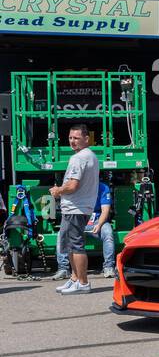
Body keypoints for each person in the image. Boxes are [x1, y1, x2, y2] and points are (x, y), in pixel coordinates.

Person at [48, 122, 99, 294]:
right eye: (70, 138)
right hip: (78, 207)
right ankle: (74, 279)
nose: (72, 141)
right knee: (70, 245)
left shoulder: (78, 158)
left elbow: (72, 186)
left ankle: (83, 283)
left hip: (75, 208)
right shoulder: (90, 155)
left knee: (75, 245)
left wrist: (58, 191)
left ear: (86, 138)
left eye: (76, 138)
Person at [53, 171, 115, 279]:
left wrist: (99, 224)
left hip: (96, 222)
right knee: (61, 235)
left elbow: (105, 210)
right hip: (78, 220)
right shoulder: (75, 187)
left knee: (108, 233)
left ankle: (109, 267)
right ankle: (63, 269)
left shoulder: (103, 188)